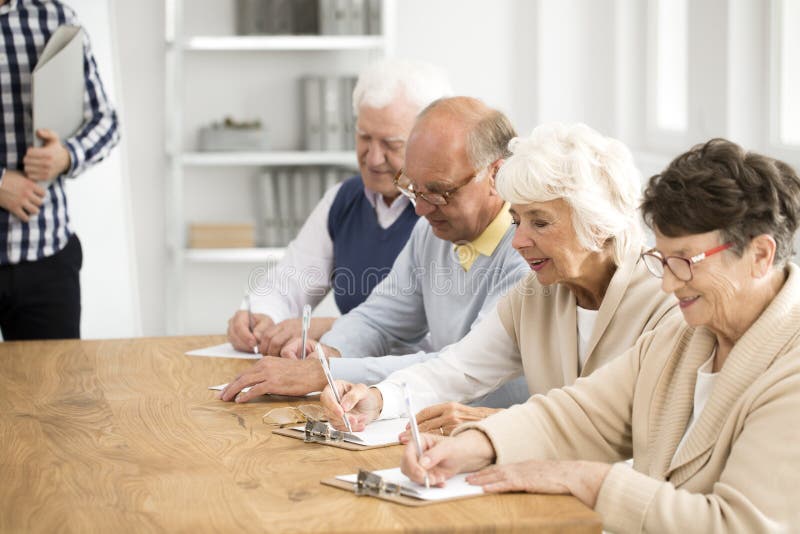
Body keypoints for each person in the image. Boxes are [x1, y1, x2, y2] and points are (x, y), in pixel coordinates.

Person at [399, 138, 800, 533]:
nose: (668, 285)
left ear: (760, 255)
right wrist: (470, 447)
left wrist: (586, 480)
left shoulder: (790, 368)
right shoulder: (683, 338)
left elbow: (735, 524)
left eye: (684, 262)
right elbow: (578, 416)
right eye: (663, 260)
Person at [321, 123, 677, 437]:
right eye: (517, 220)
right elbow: (457, 369)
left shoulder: (666, 301)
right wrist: (378, 399)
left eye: (539, 222)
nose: (519, 241)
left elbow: (636, 434)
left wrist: (500, 422)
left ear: (597, 225)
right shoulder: (534, 296)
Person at [219, 97, 530, 405]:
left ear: (495, 175)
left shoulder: (528, 251)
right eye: (412, 187)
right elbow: (380, 319)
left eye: (438, 192)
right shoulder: (432, 231)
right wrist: (328, 352)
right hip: (442, 424)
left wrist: (326, 372)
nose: (420, 208)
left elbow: (462, 366)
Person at [226, 59, 452, 356]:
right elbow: (290, 282)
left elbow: (444, 341)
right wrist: (257, 315)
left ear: (429, 142)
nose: (372, 158)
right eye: (363, 137)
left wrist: (334, 328)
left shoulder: (445, 216)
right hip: (348, 379)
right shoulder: (344, 200)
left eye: (391, 144)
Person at [0, 0, 120, 340]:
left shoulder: (54, 17)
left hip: (47, 257)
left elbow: (106, 121)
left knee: (54, 391)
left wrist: (66, 155)